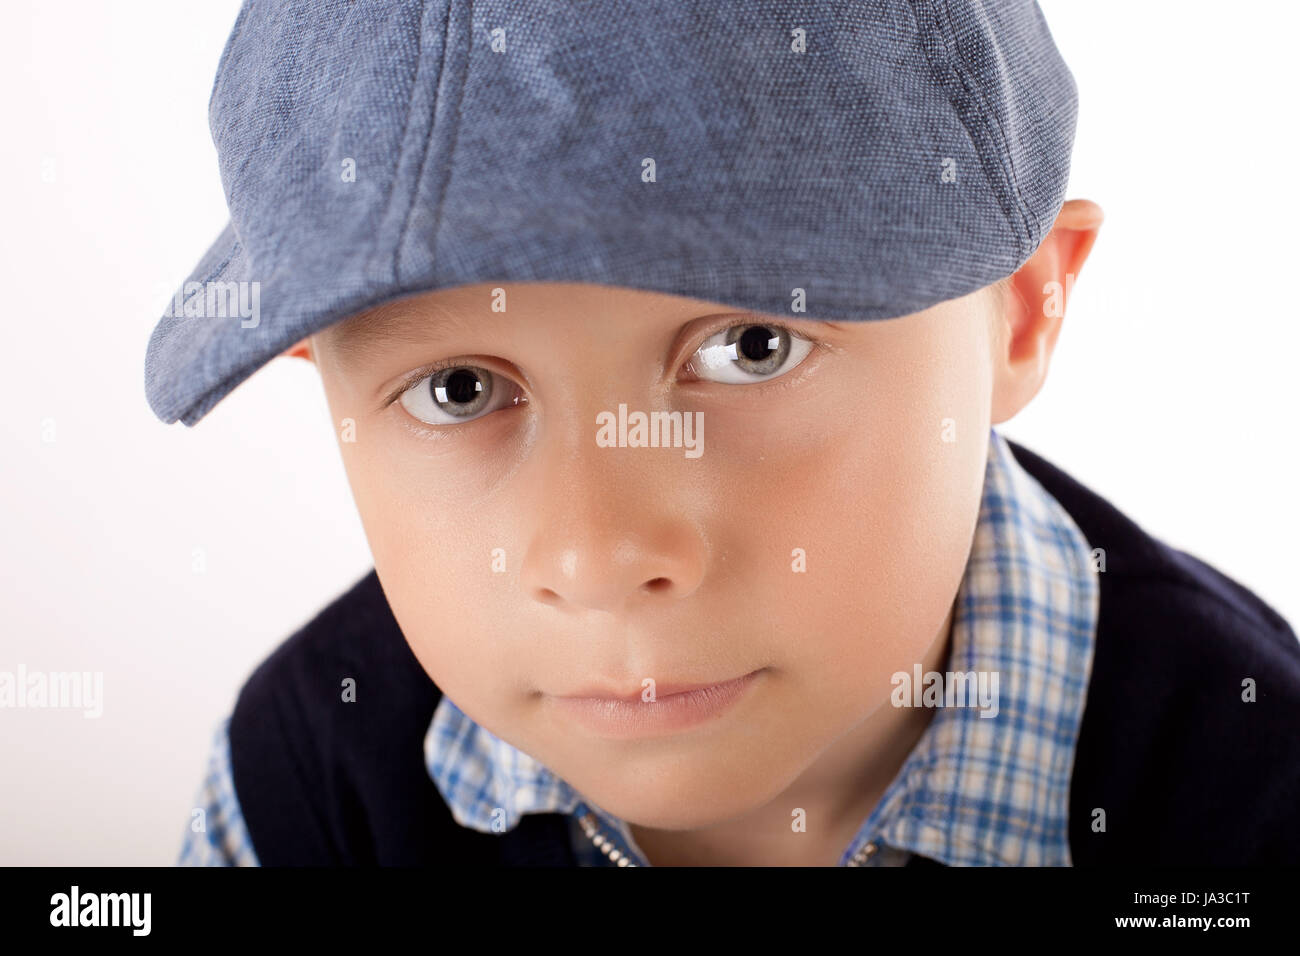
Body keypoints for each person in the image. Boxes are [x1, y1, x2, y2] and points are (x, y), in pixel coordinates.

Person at [154, 0, 1300, 866]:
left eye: (753, 346)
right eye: (458, 386)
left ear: (1022, 309)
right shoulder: (306, 788)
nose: (598, 553)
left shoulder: (1245, 792)